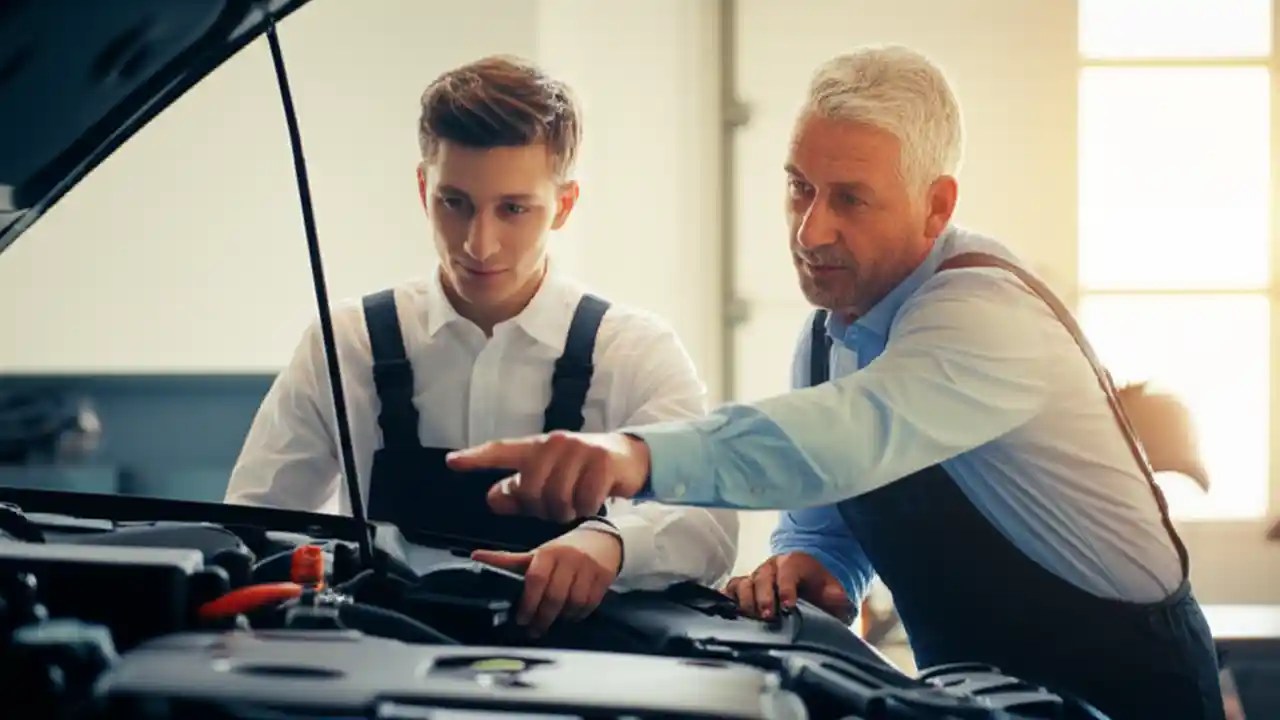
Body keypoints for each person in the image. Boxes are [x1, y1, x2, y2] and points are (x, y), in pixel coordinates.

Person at [444, 46, 1225, 719]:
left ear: (936, 204)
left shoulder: (987, 316)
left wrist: (629, 456)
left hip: (1128, 690)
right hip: (975, 699)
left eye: (849, 198)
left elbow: (850, 432)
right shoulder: (825, 341)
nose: (809, 229)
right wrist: (813, 564)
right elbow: (827, 522)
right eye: (799, 188)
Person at [224, 55, 737, 636]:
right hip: (381, 671)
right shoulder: (344, 344)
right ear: (423, 188)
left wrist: (612, 543)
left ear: (564, 205)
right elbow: (251, 525)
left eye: (513, 209)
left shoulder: (635, 351)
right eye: (455, 202)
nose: (479, 243)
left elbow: (712, 520)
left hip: (574, 683)